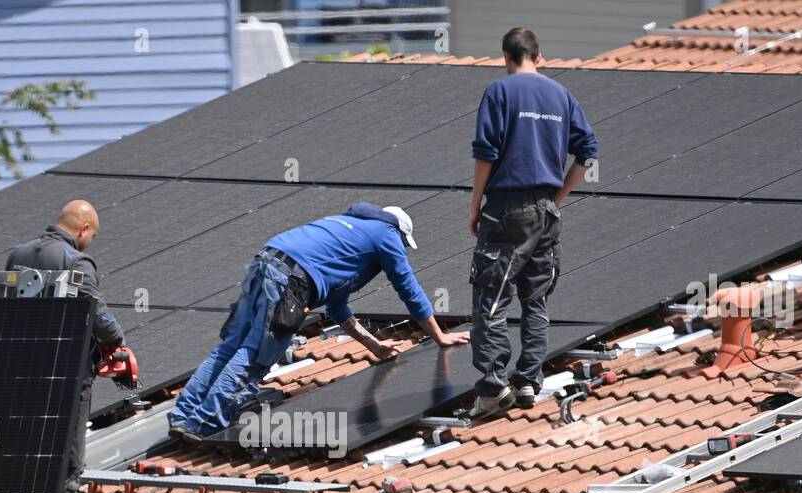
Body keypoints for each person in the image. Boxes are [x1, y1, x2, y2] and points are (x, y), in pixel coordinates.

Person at [169, 203, 469, 441]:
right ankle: (204, 422)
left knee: (231, 347)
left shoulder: (348, 232)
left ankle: (182, 417)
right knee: (257, 355)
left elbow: (337, 308)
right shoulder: (386, 234)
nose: (400, 252)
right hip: (290, 280)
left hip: (266, 263)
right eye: (403, 245)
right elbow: (408, 287)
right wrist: (440, 336)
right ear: (400, 235)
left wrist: (373, 345)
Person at [467, 26, 599, 417]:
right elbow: (588, 151)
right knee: (535, 300)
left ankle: (493, 387)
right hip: (546, 211)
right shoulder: (561, 95)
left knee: (490, 300)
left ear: (506, 57)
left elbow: (486, 153)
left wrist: (475, 205)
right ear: (539, 57)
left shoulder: (499, 91)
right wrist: (557, 198)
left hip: (507, 208)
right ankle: (527, 381)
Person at [4, 199, 125, 493]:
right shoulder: (76, 262)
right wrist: (117, 340)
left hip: (18, 374)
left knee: (23, 453)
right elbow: (92, 309)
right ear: (83, 229)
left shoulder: (18, 255)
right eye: (93, 236)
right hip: (64, 378)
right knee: (66, 458)